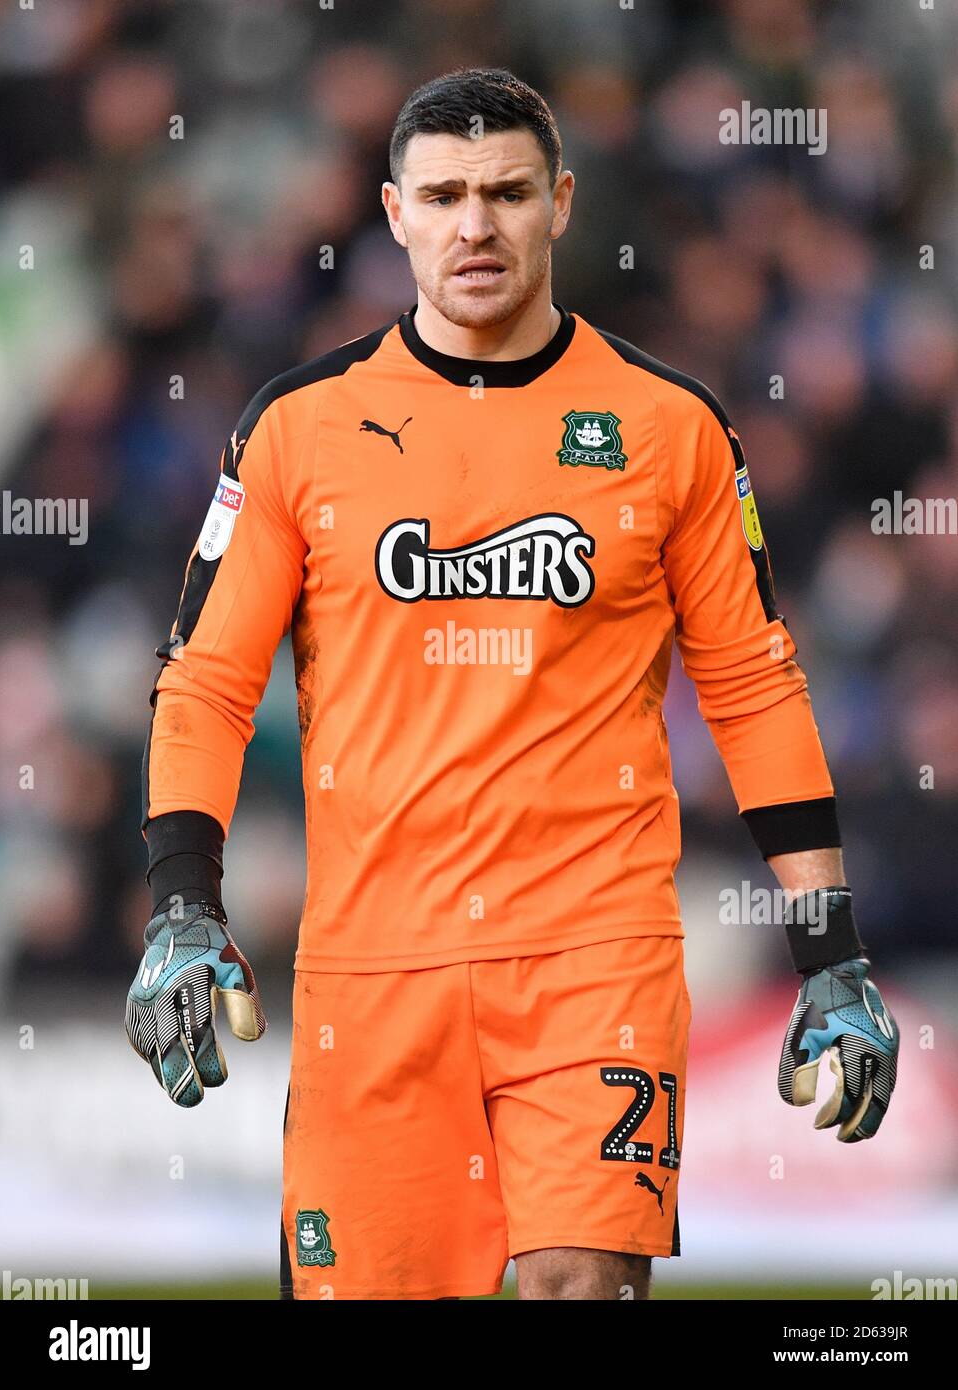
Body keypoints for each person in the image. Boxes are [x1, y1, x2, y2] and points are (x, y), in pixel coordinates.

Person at [126, 67, 899, 1301]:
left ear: (562, 204)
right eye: (441, 195)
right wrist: (181, 905)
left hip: (595, 957)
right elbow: (206, 681)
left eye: (505, 192)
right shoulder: (295, 426)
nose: (473, 226)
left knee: (575, 1285)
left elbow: (752, 684)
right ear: (392, 212)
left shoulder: (671, 426)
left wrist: (832, 953)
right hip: (372, 969)